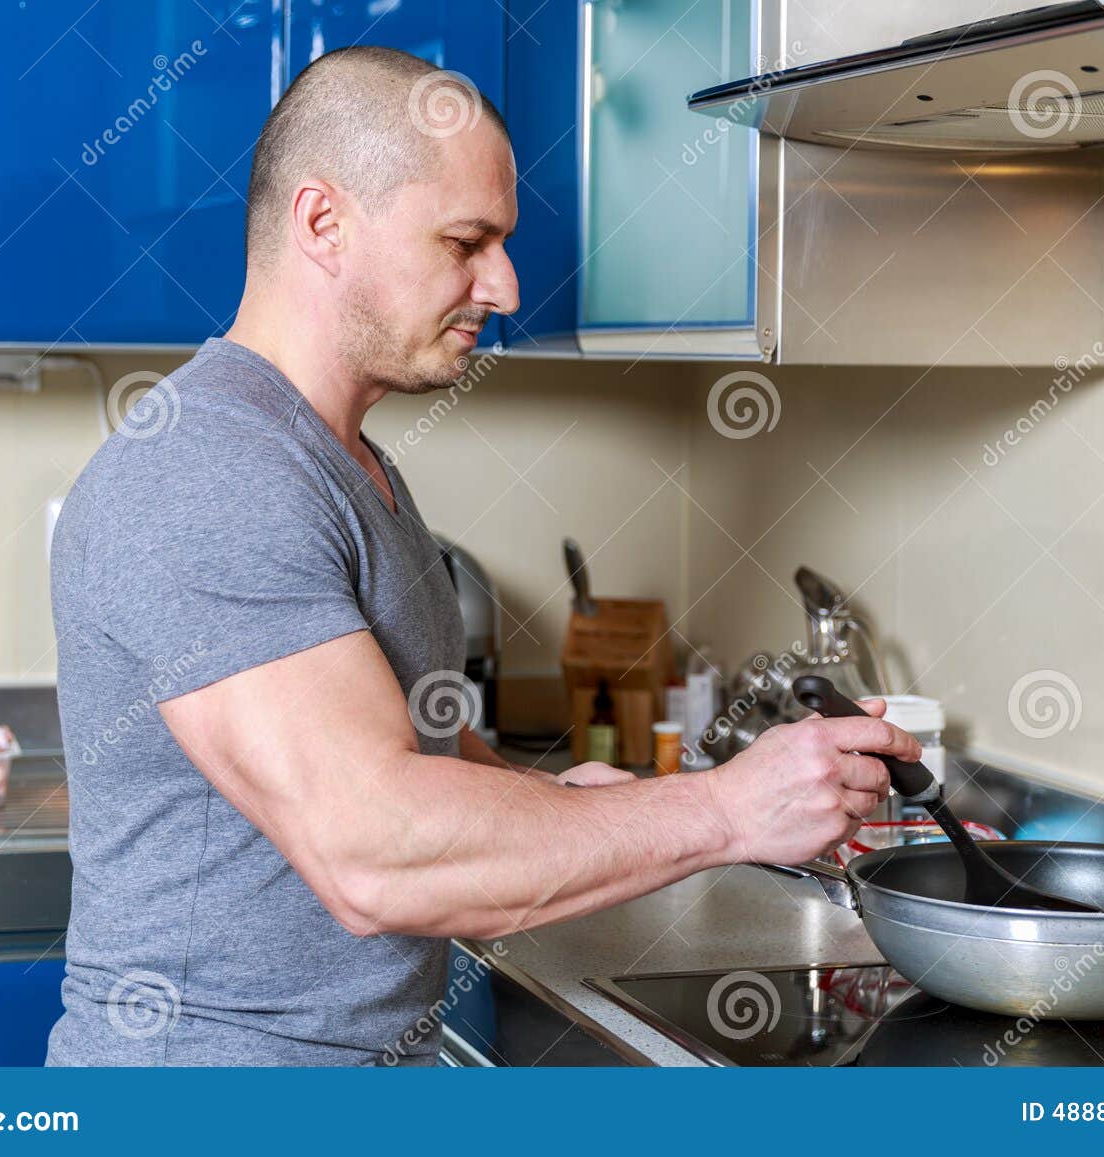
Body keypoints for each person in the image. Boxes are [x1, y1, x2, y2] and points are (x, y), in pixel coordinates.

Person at [45, 45, 919, 1066]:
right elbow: (369, 847)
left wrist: (576, 802)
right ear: (322, 223)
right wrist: (723, 808)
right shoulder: (210, 470)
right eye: (466, 241)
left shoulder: (342, 461)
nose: (502, 283)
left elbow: (426, 755)